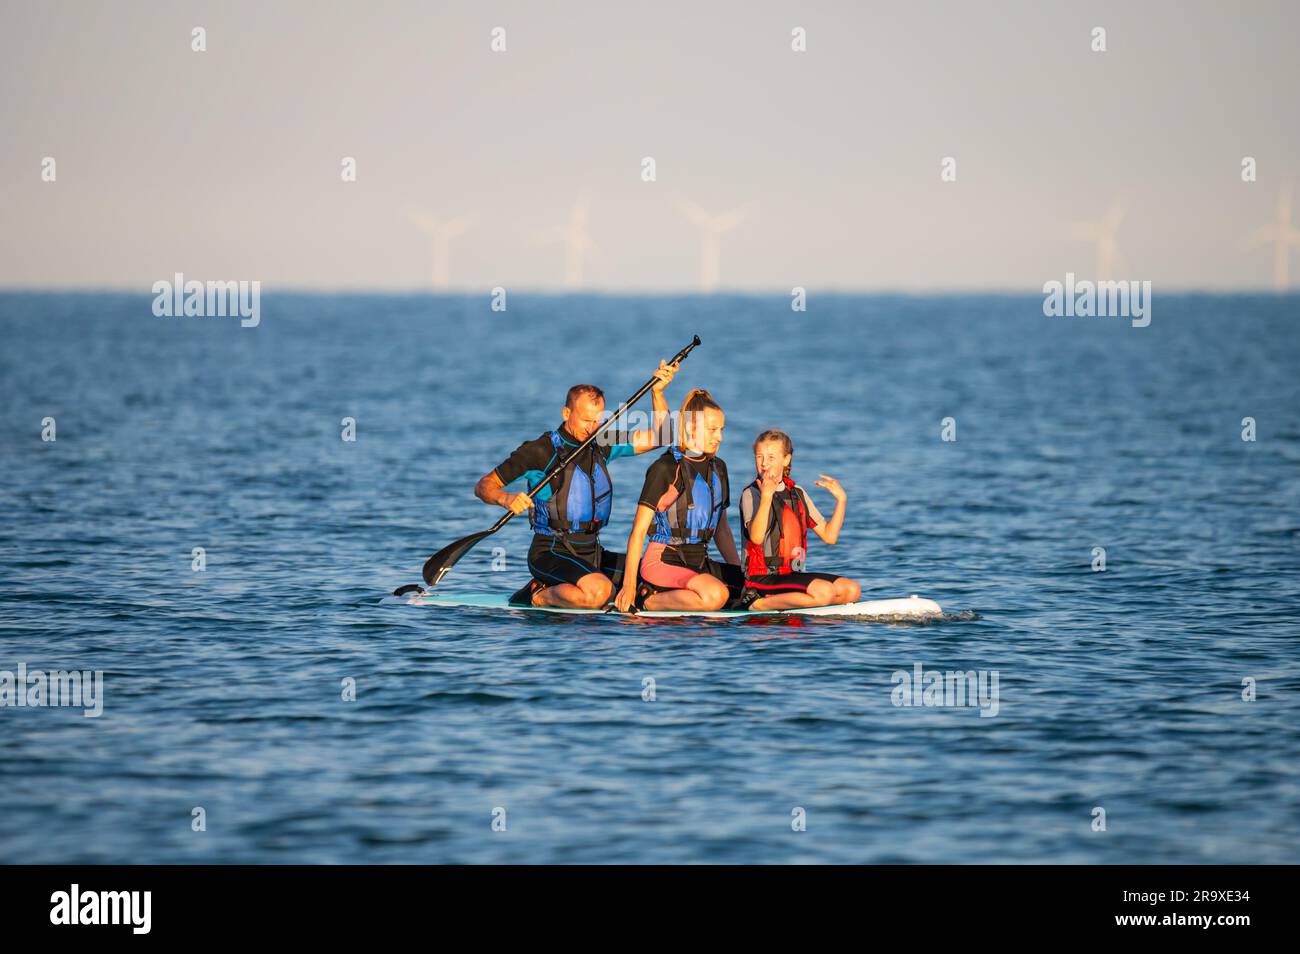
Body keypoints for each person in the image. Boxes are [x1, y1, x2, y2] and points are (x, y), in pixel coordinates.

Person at [474, 361, 677, 608]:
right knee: (600, 591)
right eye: (586, 421)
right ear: (566, 413)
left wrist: (658, 392)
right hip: (550, 551)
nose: (592, 428)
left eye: (597, 421)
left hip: (592, 551)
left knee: (653, 576)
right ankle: (536, 595)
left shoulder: (601, 442)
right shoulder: (540, 451)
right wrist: (505, 499)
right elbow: (484, 485)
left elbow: (662, 436)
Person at [615, 389, 743, 613]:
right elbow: (638, 531)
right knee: (716, 594)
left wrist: (738, 573)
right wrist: (628, 586)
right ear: (691, 427)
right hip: (662, 561)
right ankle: (647, 599)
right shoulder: (666, 468)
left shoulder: (719, 468)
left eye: (722, 430)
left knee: (753, 588)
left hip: (699, 560)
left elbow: (721, 529)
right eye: (713, 430)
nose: (719, 437)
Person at [737, 429, 861, 611]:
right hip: (761, 579)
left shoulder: (797, 494)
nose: (764, 464)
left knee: (851, 590)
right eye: (759, 457)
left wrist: (841, 501)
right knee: (824, 592)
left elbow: (829, 536)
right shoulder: (751, 494)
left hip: (791, 574)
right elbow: (756, 538)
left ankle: (799, 600)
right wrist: (766, 497)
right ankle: (757, 604)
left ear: (786, 459)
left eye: (771, 458)